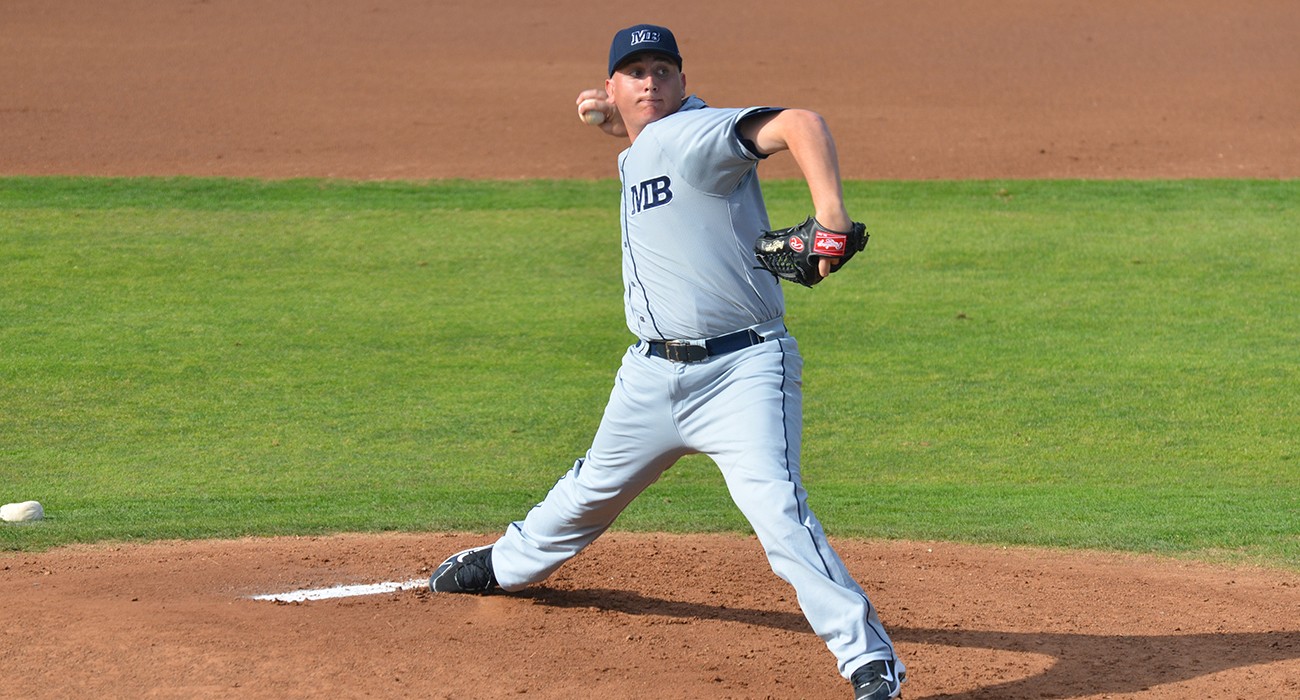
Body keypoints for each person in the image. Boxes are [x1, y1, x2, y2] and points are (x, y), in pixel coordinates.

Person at [430, 24, 905, 700]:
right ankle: (504, 565)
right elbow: (655, 155)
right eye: (634, 72)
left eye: (662, 70)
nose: (649, 80)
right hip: (650, 376)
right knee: (589, 490)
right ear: (614, 85)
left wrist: (828, 212)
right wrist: (614, 126)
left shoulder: (701, 133)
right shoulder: (646, 145)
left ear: (684, 84)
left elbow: (799, 122)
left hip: (741, 373)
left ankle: (869, 662)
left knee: (777, 513)